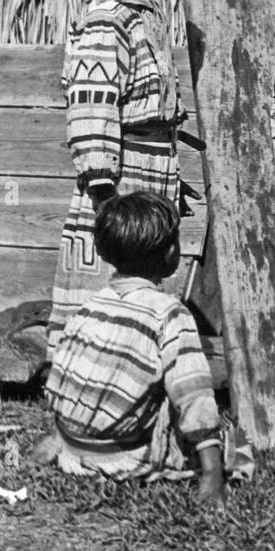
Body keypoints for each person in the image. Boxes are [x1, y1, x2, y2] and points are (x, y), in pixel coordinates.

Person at [46, 0, 191, 357]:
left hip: (147, 177)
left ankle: (137, 378)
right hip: (119, 186)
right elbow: (91, 110)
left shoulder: (144, 15)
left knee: (142, 289)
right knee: (109, 287)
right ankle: (88, 377)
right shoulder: (108, 22)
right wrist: (107, 200)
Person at [42, 193, 250, 500]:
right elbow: (193, 393)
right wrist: (211, 473)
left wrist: (61, 438)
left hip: (73, 452)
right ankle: (207, 469)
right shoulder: (169, 314)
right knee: (236, 443)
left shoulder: (91, 306)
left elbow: (64, 379)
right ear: (169, 252)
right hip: (121, 460)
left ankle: (67, 444)